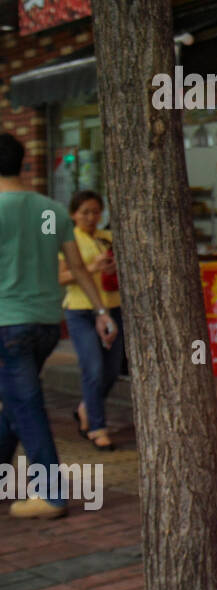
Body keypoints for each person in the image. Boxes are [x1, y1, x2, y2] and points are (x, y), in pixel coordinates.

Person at [0, 134, 116, 519]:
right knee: (16, 399)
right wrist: (101, 311)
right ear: (23, 163)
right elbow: (78, 267)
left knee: (25, 403)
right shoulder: (49, 211)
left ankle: (50, 493)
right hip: (48, 323)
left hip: (7, 324)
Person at [58, 190, 124, 451]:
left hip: (113, 307)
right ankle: (97, 427)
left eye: (95, 211)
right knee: (93, 367)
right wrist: (92, 268)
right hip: (81, 311)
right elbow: (60, 277)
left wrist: (112, 266)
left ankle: (87, 407)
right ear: (73, 214)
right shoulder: (68, 239)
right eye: (84, 211)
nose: (90, 217)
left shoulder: (106, 238)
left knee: (112, 369)